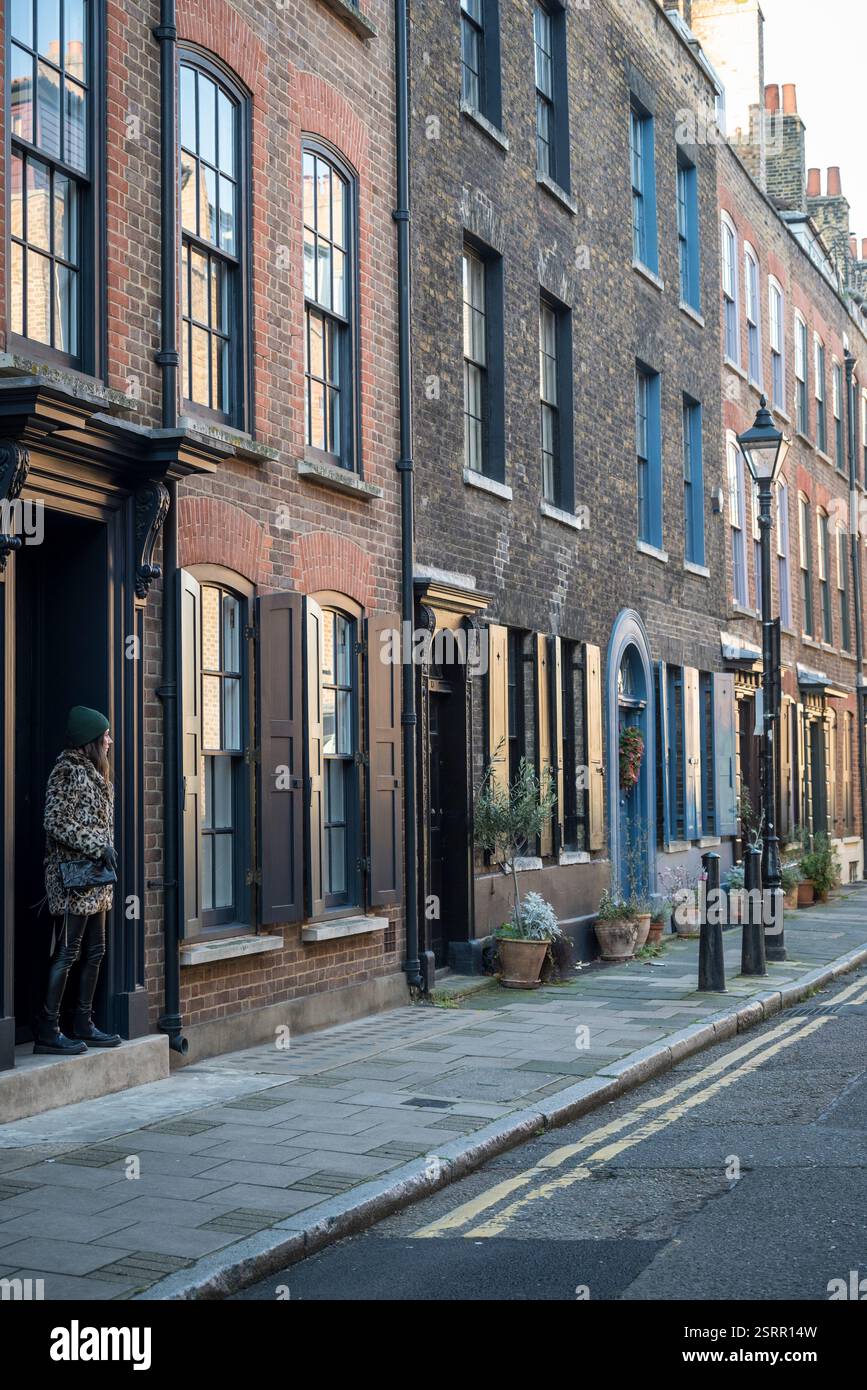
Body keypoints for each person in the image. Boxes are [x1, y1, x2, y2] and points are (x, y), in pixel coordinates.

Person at [35, 706, 122, 1054]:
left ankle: (83, 1022)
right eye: (105, 736)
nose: (110, 741)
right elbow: (54, 821)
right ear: (91, 740)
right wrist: (97, 845)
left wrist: (104, 848)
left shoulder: (95, 773)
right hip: (72, 877)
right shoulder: (67, 771)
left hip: (96, 877)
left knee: (96, 950)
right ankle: (47, 1029)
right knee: (68, 952)